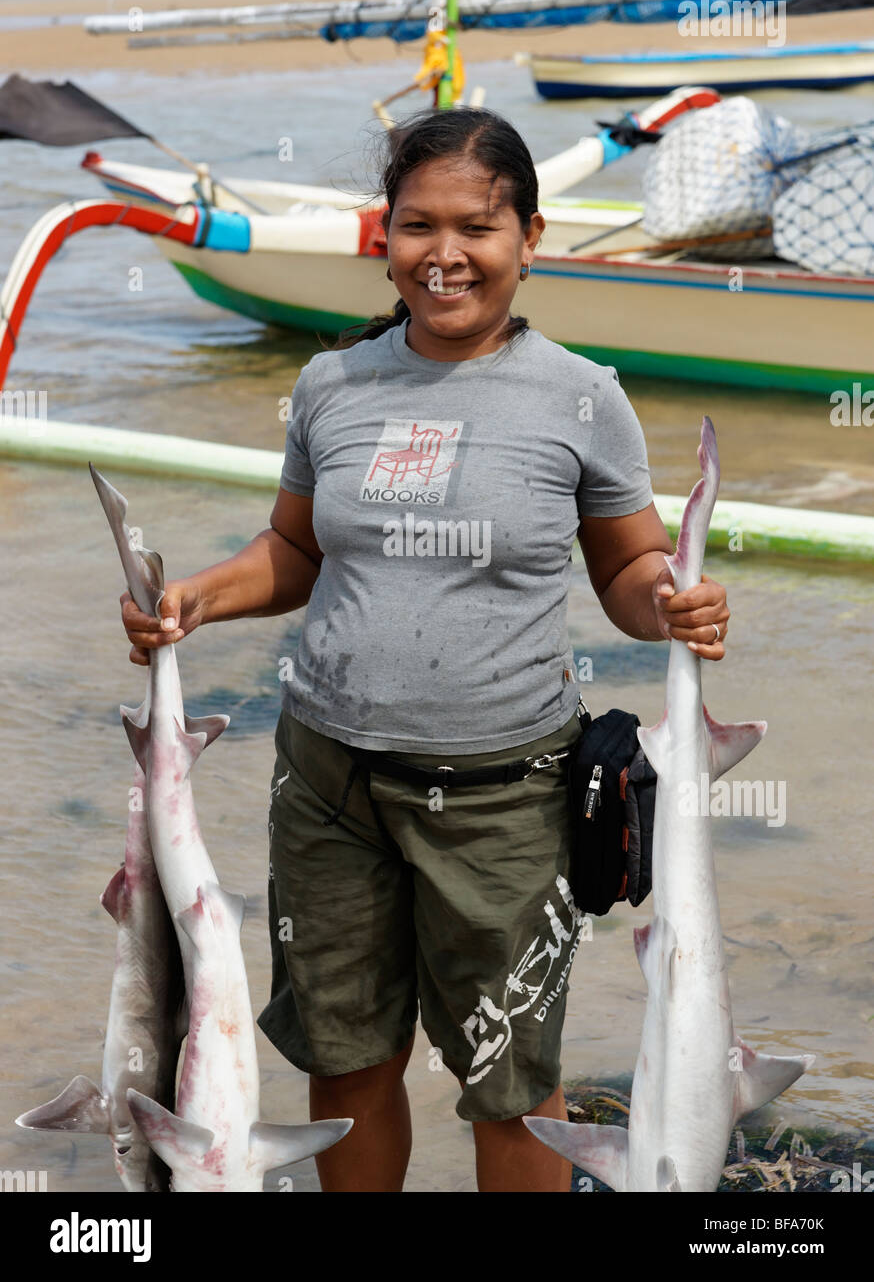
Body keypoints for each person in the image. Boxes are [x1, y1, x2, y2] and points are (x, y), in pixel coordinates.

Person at [120, 106, 730, 1194]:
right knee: (346, 1063)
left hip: (506, 797)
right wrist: (197, 597)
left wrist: (673, 606)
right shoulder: (333, 385)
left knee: (509, 1085)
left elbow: (629, 573)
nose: (444, 255)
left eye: (477, 228)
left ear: (530, 239)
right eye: (415, 227)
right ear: (383, 236)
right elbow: (295, 551)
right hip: (328, 786)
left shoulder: (585, 398)